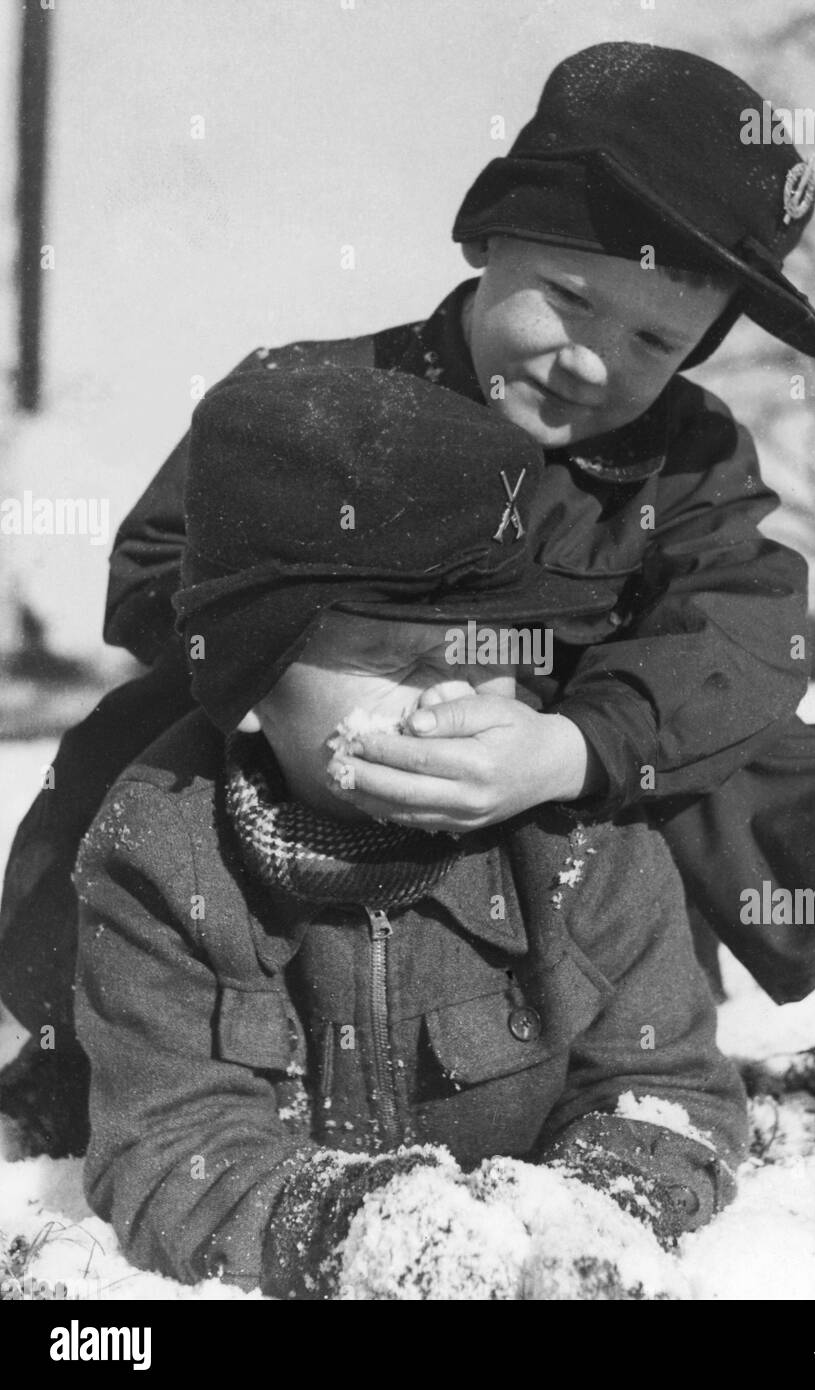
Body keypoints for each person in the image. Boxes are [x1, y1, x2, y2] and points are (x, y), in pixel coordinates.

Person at [2, 42, 815, 1158]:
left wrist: (568, 738)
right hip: (331, 778)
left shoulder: (684, 460)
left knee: (722, 734)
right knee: (140, 748)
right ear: (490, 239)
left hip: (563, 829)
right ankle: (81, 1036)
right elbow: (157, 560)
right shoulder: (315, 402)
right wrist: (302, 660)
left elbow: (748, 624)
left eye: (656, 341)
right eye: (571, 298)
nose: (592, 362)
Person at [72, 366, 747, 1297]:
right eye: (391, 662)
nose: (449, 699)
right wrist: (369, 1233)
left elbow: (669, 1094)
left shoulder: (582, 841)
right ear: (253, 687)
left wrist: (584, 1218)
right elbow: (168, 1146)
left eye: (484, 651)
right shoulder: (161, 851)